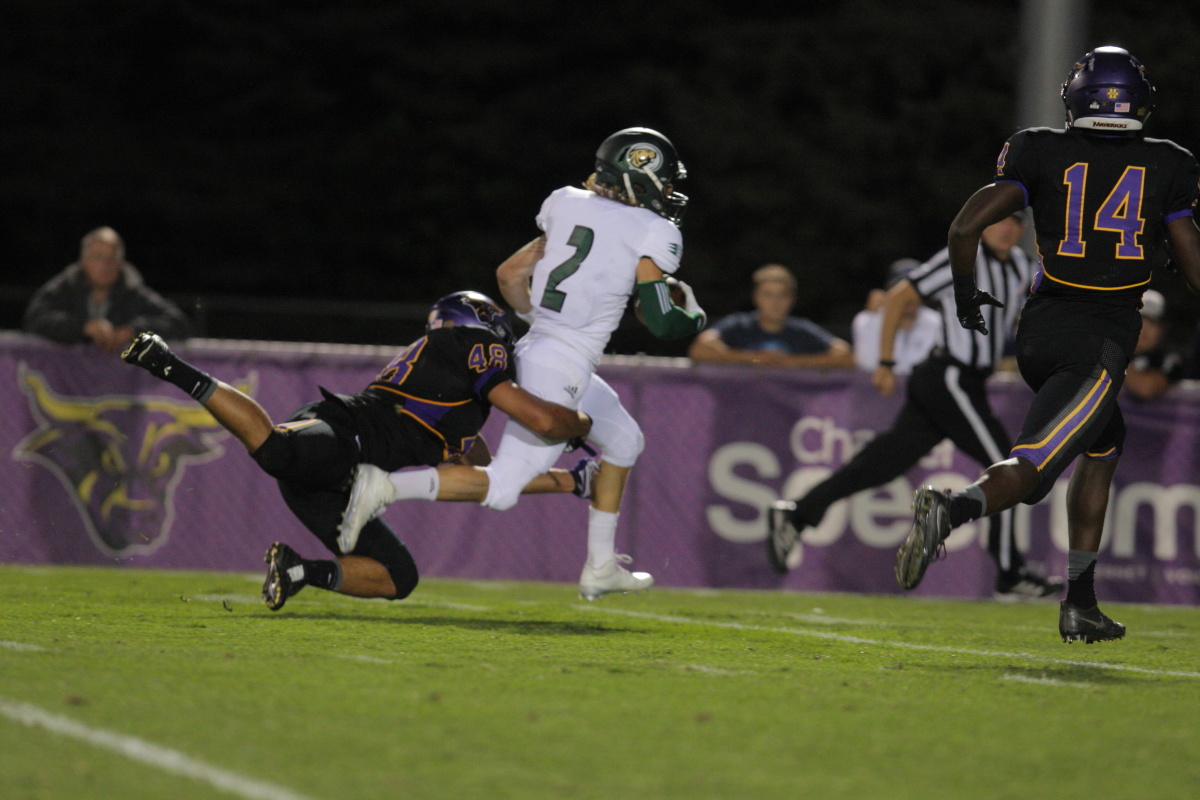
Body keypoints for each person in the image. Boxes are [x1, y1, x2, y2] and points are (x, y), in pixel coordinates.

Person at [895, 46, 1200, 643]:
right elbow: (1194, 270)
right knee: (1034, 472)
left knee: (1105, 441)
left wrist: (964, 293)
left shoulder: (1039, 147)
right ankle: (951, 509)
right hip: (1101, 342)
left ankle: (1080, 602)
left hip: (1037, 331)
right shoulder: (1169, 164)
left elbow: (964, 227)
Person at [337, 127, 707, 601]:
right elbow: (661, 321)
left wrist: (541, 318)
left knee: (624, 439)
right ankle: (383, 486)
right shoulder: (656, 230)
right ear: (642, 174)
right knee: (503, 487)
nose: (671, 191)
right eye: (666, 180)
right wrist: (693, 316)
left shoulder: (564, 202)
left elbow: (509, 276)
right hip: (564, 365)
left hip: (535, 349)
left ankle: (600, 567)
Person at [121, 291, 595, 610]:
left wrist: (571, 481)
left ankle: (298, 570)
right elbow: (538, 418)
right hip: (345, 433)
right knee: (276, 454)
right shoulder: (475, 343)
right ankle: (167, 363)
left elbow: (493, 477)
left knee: (398, 576)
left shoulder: (456, 403)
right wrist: (573, 422)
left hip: (346, 473)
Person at [768, 213, 1064, 601]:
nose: (1007, 229)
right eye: (999, 220)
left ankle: (797, 513)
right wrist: (887, 362)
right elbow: (899, 297)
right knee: (1010, 467)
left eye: (1014, 222)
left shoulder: (1022, 267)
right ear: (982, 224)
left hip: (965, 381)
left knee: (882, 462)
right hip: (949, 378)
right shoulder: (963, 257)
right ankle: (1009, 572)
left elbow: (1028, 316)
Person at [24, 226, 190, 352]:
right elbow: (34, 317)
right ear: (83, 261)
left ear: (121, 263)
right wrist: (83, 328)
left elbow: (177, 322)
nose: (105, 265)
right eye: (98, 257)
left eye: (112, 258)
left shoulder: (132, 290)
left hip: (118, 388)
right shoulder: (66, 285)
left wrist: (132, 331)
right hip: (67, 384)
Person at [687, 263, 855, 369]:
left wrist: (793, 362)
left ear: (792, 299)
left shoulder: (801, 330)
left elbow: (845, 355)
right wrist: (756, 359)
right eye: (768, 295)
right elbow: (700, 348)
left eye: (782, 295)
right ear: (756, 298)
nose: (776, 302)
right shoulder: (740, 325)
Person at [851, 258, 940, 375]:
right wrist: (891, 324)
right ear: (890, 291)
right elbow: (867, 363)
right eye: (901, 291)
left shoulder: (936, 321)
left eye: (913, 291)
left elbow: (926, 368)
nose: (907, 298)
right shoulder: (867, 319)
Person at [1124, 289, 1184, 401]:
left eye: (1152, 322)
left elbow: (1145, 389)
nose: (1144, 329)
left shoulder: (1168, 359)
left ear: (1162, 329)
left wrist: (1111, 357)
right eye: (1138, 320)